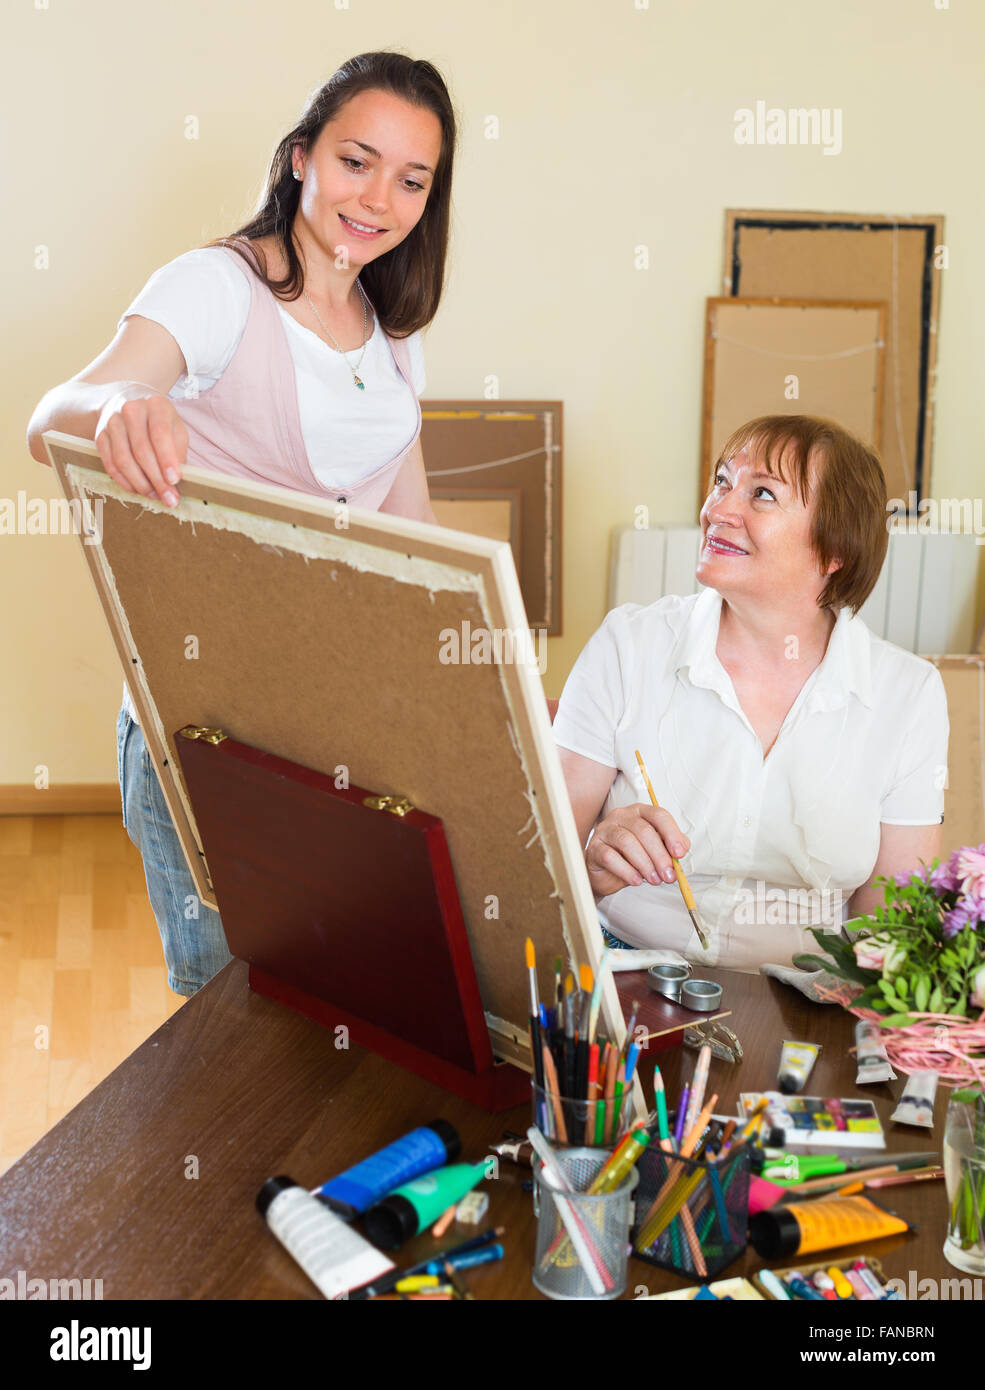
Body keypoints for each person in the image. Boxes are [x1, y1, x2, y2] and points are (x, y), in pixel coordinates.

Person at [27, 51, 456, 996]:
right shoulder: (219, 287)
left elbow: (414, 536)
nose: (378, 197)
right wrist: (109, 413)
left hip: (338, 727)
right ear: (301, 157)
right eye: (356, 160)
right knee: (230, 1016)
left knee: (337, 1005)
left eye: (411, 178)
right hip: (208, 728)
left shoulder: (395, 332)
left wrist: (481, 674)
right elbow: (52, 412)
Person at [553, 415, 949, 972]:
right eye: (721, 481)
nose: (717, 510)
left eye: (761, 493)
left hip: (805, 998)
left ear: (835, 550)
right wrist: (590, 865)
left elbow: (889, 917)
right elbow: (541, 861)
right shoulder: (628, 644)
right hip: (629, 972)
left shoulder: (909, 696)